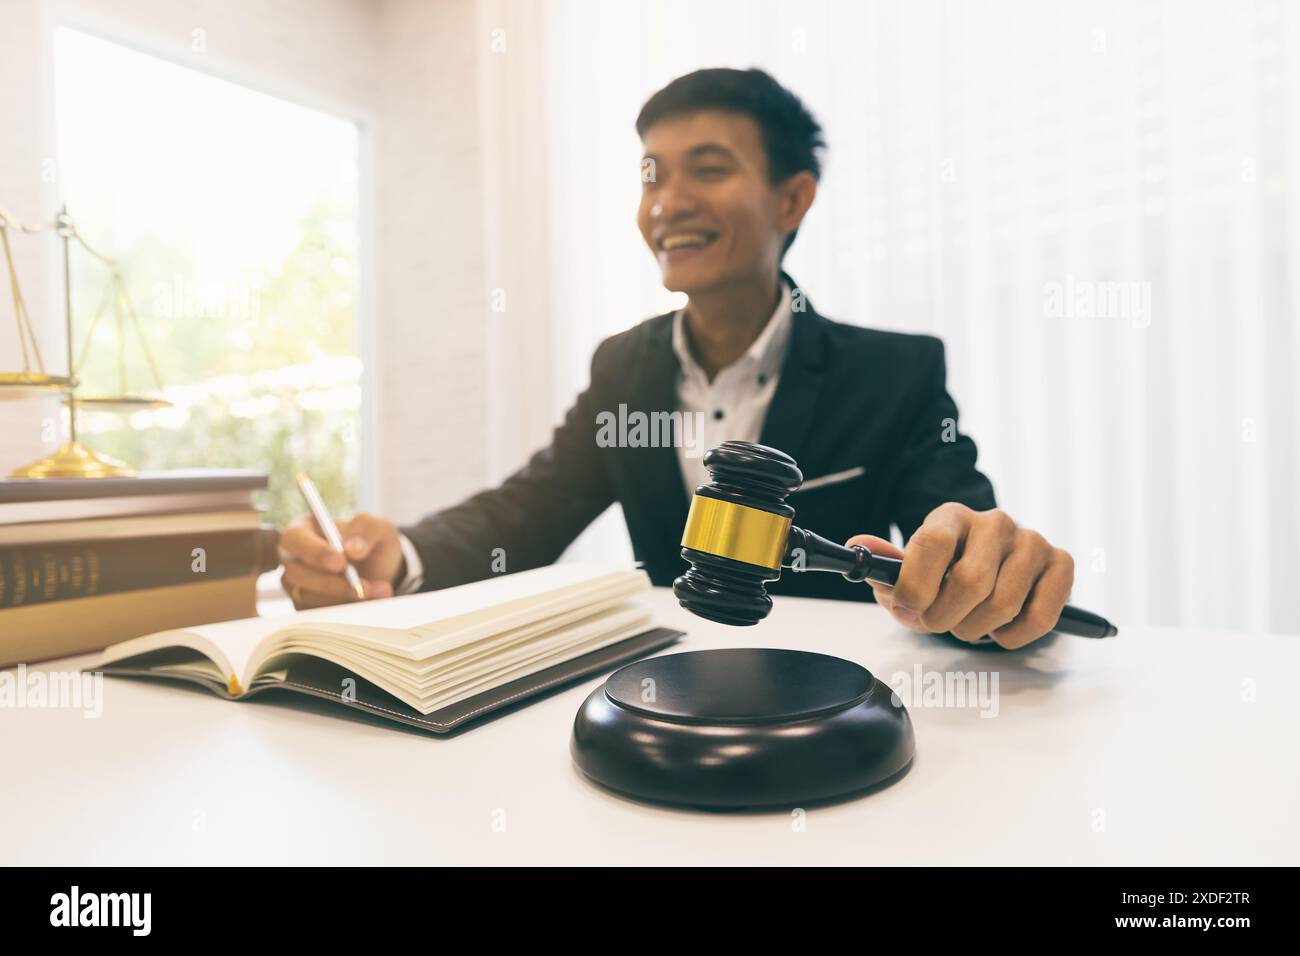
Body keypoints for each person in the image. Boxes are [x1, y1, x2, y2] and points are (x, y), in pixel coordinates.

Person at [280, 67, 1074, 650]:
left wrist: (992, 571)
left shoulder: (894, 373)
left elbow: (961, 531)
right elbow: (523, 516)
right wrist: (400, 554)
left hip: (831, 703)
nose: (667, 203)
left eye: (710, 168)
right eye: (651, 176)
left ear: (792, 199)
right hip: (666, 694)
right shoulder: (624, 368)